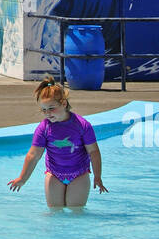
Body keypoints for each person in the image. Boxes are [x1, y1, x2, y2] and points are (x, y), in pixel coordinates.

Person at [8, 79, 108, 208]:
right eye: (43, 110)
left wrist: (97, 176)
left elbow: (93, 152)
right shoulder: (44, 128)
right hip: (54, 174)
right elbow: (33, 155)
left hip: (79, 174)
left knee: (76, 211)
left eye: (51, 108)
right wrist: (22, 178)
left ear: (64, 104)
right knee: (55, 212)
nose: (47, 113)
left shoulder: (82, 125)